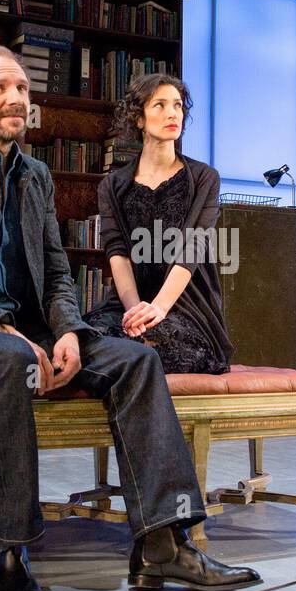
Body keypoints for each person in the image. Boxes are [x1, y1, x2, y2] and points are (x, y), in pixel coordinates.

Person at [0, 44, 261, 591]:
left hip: (24, 327)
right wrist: (1, 327)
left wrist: (67, 330)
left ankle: (163, 543)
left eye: (22, 91)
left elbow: (58, 272)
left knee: (135, 359)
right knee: (7, 361)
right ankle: (8, 554)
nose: (15, 100)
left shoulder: (34, 176)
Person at [84, 73, 234, 374]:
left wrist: (159, 308)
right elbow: (118, 252)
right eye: (160, 105)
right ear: (139, 119)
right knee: (87, 340)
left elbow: (192, 247)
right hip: (130, 302)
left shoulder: (204, 178)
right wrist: (134, 311)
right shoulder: (113, 186)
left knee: (153, 346)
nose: (172, 113)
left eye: (178, 106)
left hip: (184, 305)